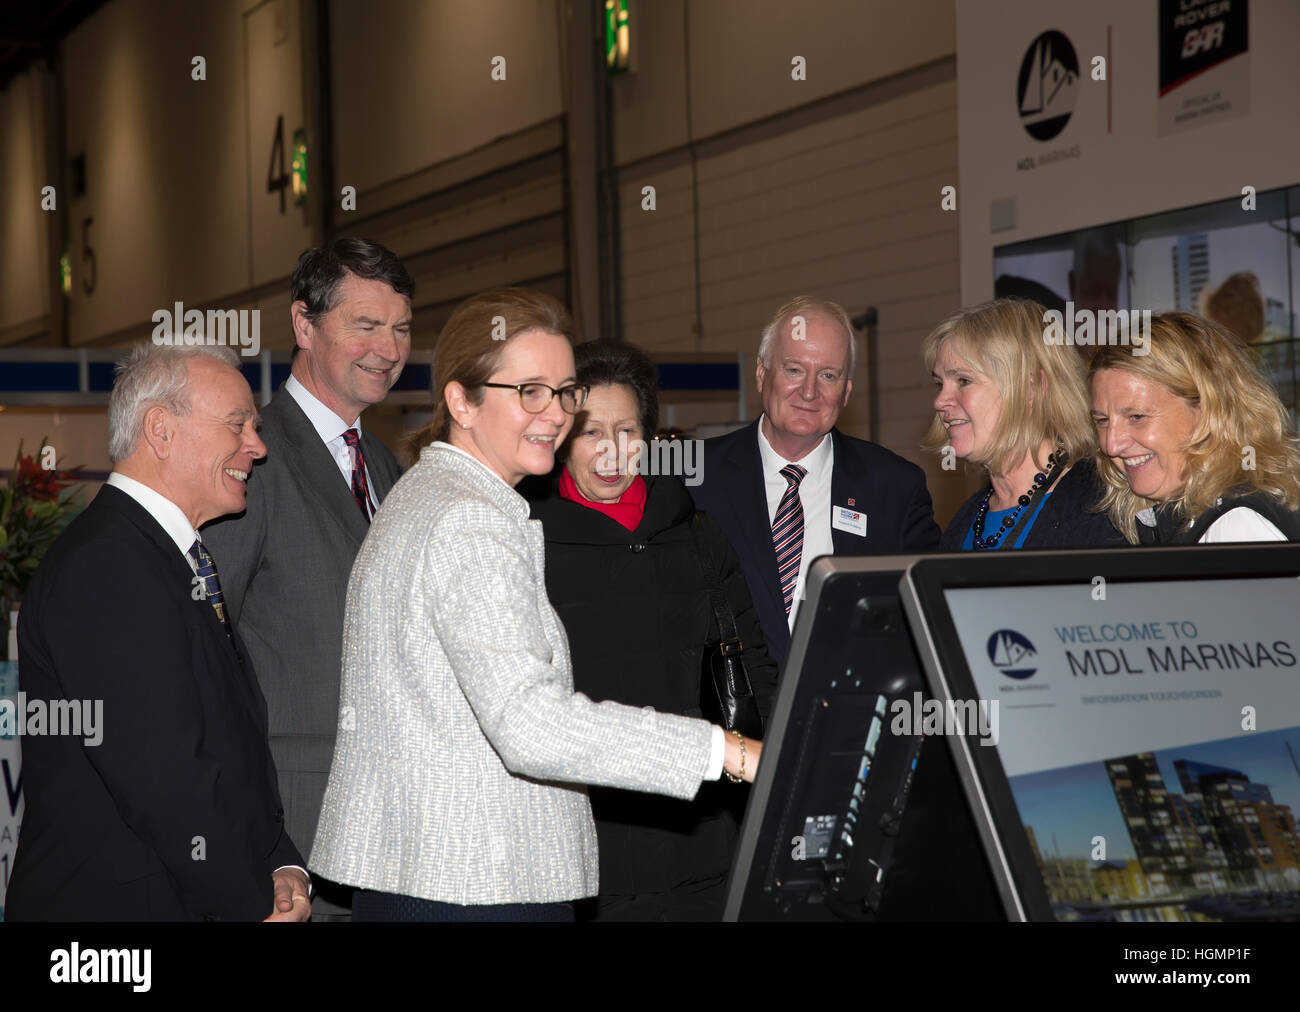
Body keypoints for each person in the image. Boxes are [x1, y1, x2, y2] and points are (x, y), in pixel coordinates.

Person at [310, 288, 760, 921]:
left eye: (565, 390)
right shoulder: (469, 520)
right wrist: (728, 752)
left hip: (433, 876)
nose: (555, 414)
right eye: (529, 391)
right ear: (461, 400)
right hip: (476, 883)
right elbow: (532, 726)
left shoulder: (426, 495)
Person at [8, 344, 309, 921]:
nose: (258, 446)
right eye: (237, 424)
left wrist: (280, 864)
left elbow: (231, 749)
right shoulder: (107, 566)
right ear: (161, 430)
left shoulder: (171, 557)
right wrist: (250, 906)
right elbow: (167, 783)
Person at [527, 340, 779, 921]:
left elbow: (756, 667)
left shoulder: (696, 533)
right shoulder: (529, 541)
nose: (612, 452)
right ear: (562, 436)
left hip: (703, 837)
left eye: (628, 431)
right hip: (587, 853)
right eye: (592, 433)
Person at [202, 238, 410, 917]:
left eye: (402, 328)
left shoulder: (383, 463)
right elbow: (206, 649)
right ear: (303, 325)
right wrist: (248, 836)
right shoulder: (252, 458)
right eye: (366, 325)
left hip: (385, 836)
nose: (389, 346)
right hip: (290, 835)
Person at [690, 296, 939, 668]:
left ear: (847, 390)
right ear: (761, 374)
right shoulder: (693, 478)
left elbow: (927, 623)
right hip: (732, 721)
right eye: (793, 370)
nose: (809, 392)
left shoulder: (895, 489)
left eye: (828, 375)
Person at [925, 298, 1124, 550]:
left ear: (1031, 390)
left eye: (963, 381)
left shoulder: (1102, 505)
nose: (940, 401)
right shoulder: (964, 521)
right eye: (939, 384)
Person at [1090, 312, 1300, 544]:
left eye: (1137, 417)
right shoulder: (1192, 518)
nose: (1111, 444)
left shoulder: (1235, 526)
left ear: (1208, 409)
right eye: (1102, 421)